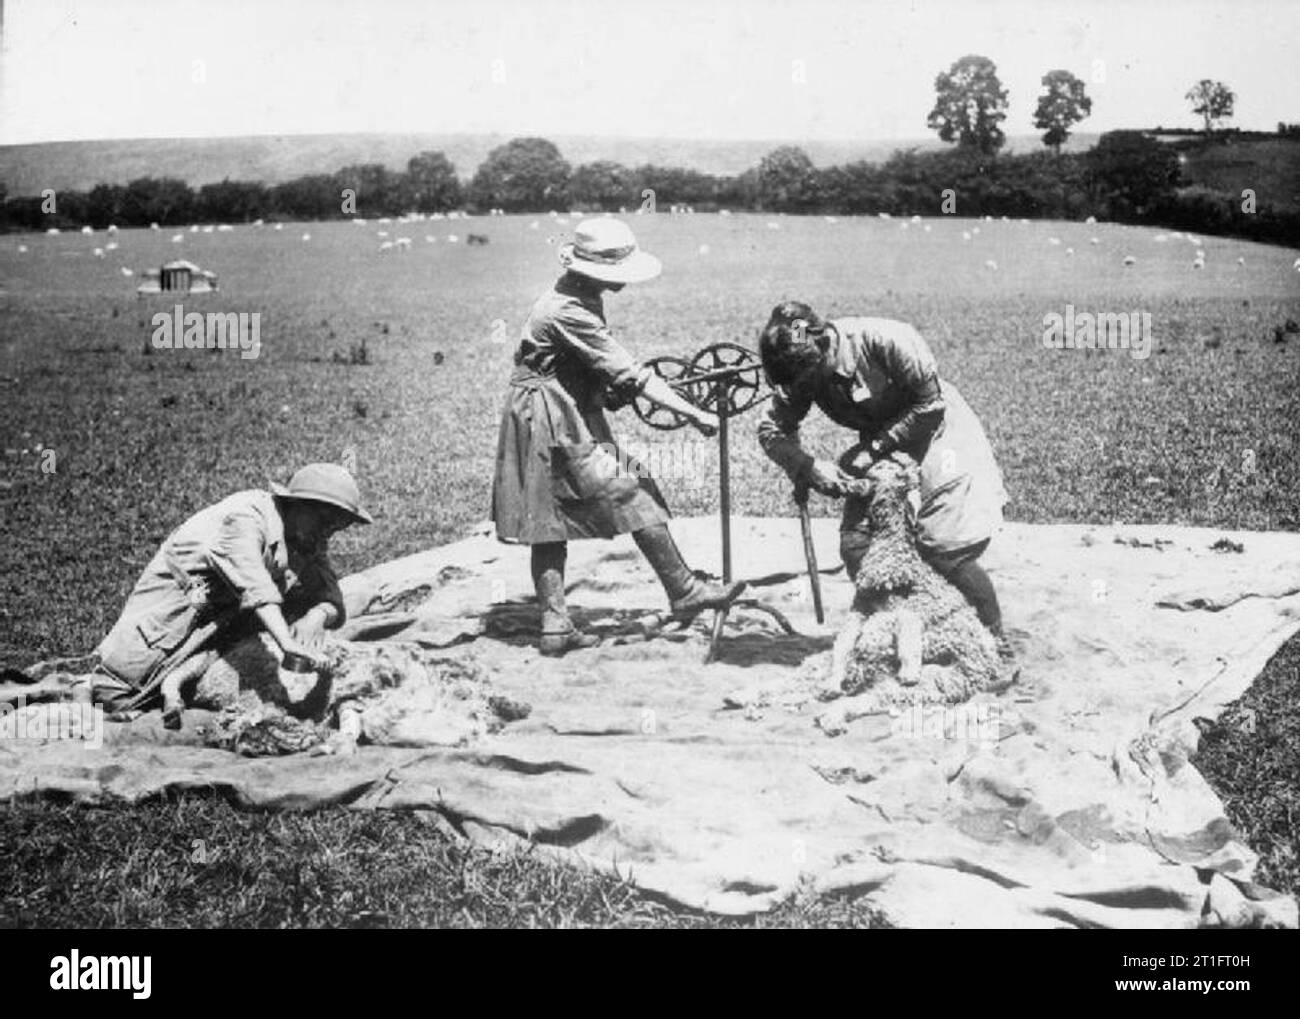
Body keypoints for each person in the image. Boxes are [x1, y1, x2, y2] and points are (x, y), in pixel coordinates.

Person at [491, 218, 746, 656]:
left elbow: (597, 371)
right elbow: (631, 373)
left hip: (547, 409)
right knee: (631, 487)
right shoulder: (569, 309)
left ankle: (555, 625)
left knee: (548, 516)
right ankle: (684, 590)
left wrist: (609, 390)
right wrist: (692, 412)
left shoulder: (579, 295)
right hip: (551, 413)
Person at [756, 301, 1013, 658]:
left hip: (937, 430)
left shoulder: (887, 338)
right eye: (798, 385)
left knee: (945, 549)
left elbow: (929, 406)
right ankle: (902, 630)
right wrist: (806, 465)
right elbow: (772, 428)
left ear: (824, 346)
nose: (805, 390)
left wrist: (872, 450)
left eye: (809, 380)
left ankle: (996, 645)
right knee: (857, 546)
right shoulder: (800, 365)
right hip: (879, 441)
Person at [91, 462, 372, 709]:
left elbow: (328, 588)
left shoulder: (303, 533)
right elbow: (255, 585)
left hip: (220, 623)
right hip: (171, 625)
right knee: (120, 701)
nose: (328, 531)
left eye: (338, 525)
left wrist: (318, 615)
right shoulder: (243, 518)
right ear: (298, 504)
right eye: (324, 520)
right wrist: (287, 643)